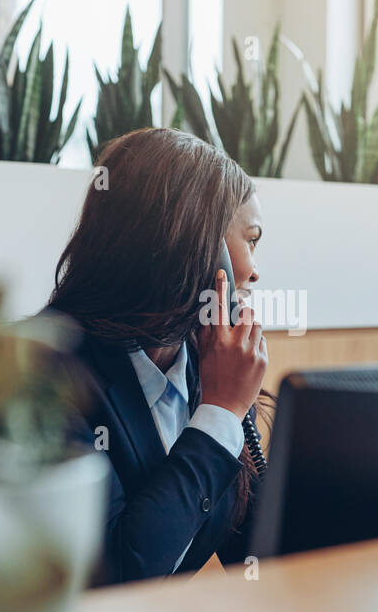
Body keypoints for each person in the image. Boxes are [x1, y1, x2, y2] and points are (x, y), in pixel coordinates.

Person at [44, 127, 269, 585]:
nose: (255, 271)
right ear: (191, 246)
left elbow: (256, 557)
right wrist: (221, 412)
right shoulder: (48, 372)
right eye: (250, 239)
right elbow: (122, 574)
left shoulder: (204, 360)